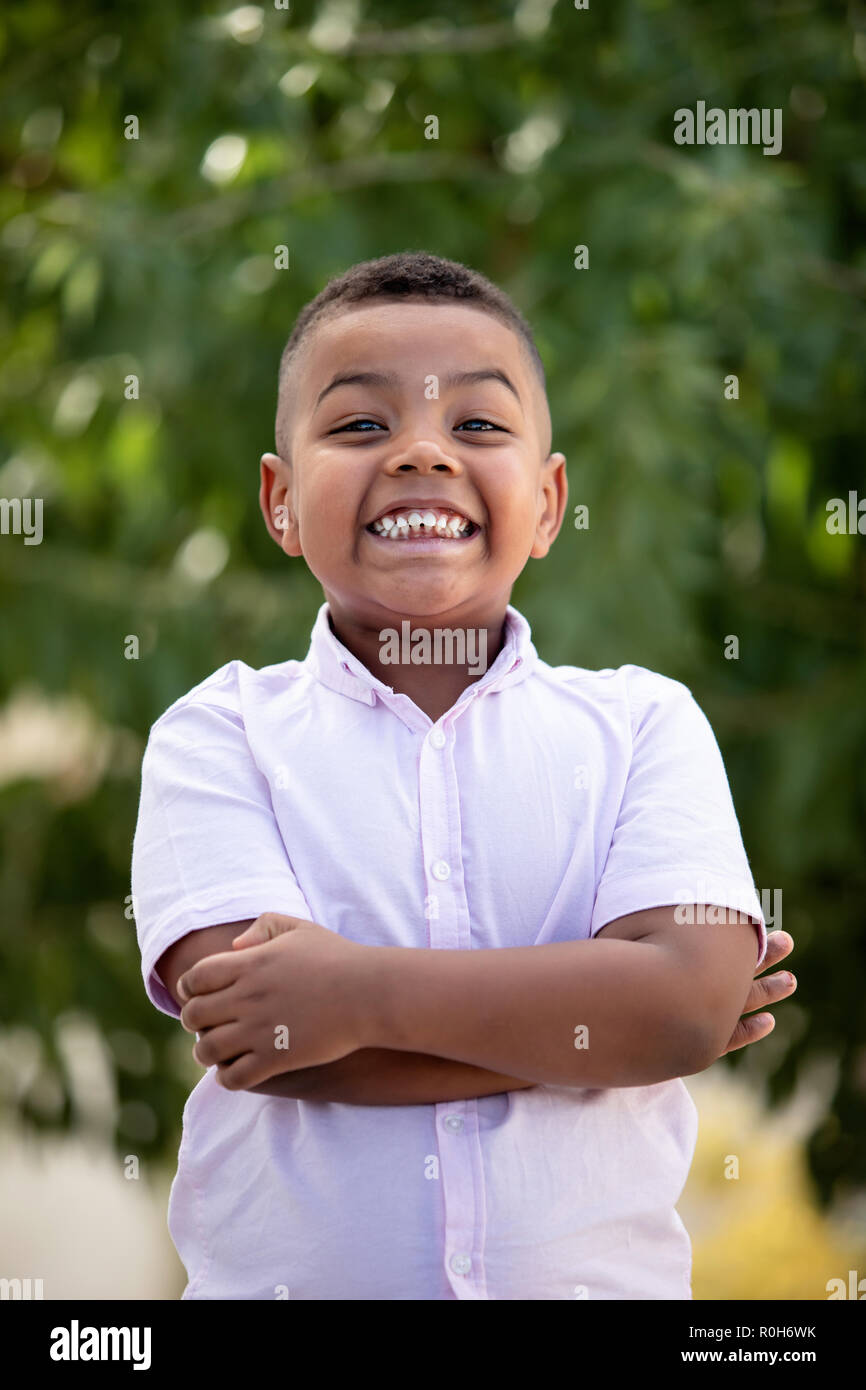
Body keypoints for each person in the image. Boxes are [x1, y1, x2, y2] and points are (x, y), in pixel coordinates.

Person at [130, 252, 797, 1300]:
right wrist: (609, 1028)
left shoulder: (641, 725)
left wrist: (352, 991)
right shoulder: (217, 734)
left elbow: (676, 1012)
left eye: (477, 426)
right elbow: (272, 1037)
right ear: (279, 499)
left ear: (546, 501)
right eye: (358, 425)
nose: (420, 454)